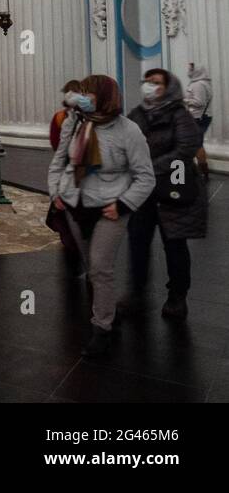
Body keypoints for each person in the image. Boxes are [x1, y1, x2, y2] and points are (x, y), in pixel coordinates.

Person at [47, 74, 154, 357]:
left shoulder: (127, 131)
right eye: (81, 91)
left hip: (110, 208)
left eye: (88, 92)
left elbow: (145, 177)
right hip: (75, 205)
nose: (82, 96)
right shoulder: (75, 122)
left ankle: (102, 328)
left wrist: (124, 204)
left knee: (99, 267)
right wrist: (56, 193)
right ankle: (108, 311)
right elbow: (60, 160)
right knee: (91, 268)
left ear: (105, 96)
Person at [124, 68, 207, 321]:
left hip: (172, 189)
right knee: (137, 243)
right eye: (147, 81)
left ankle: (177, 297)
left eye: (156, 83)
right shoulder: (137, 114)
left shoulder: (179, 114)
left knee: (174, 245)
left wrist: (148, 168)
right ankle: (137, 293)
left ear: (168, 87)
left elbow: (185, 149)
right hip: (142, 192)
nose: (149, 86)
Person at [46, 80, 85, 268]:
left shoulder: (88, 119)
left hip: (83, 180)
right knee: (65, 220)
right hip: (66, 174)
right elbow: (57, 144)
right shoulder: (62, 117)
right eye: (68, 91)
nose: (70, 94)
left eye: (74, 91)